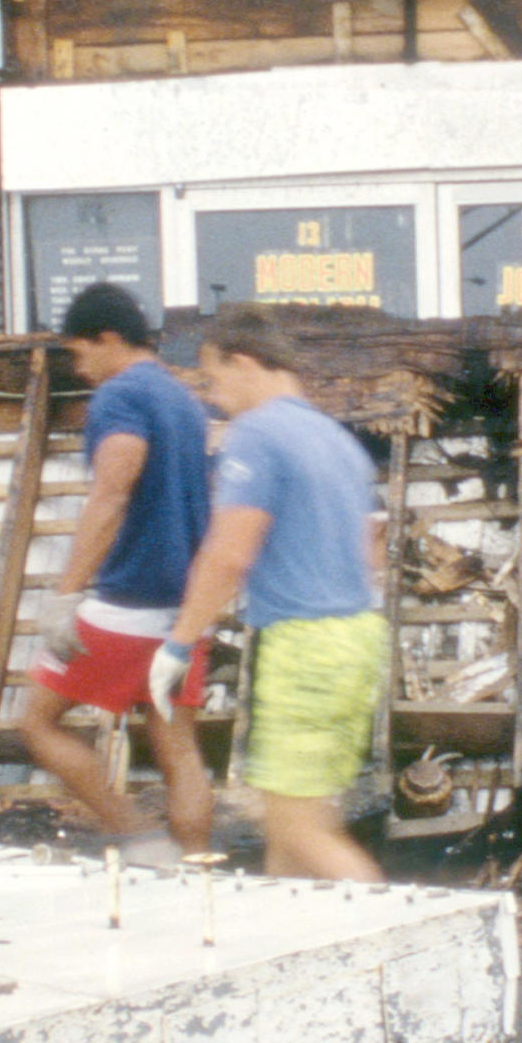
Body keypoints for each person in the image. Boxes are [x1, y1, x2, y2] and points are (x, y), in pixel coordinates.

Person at [153, 308, 391, 881]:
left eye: (212, 380)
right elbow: (371, 550)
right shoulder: (334, 438)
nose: (213, 399)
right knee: (290, 836)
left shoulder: (256, 435)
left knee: (301, 834)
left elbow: (229, 553)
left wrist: (179, 645)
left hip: (304, 646)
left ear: (244, 361)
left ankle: (407, 946)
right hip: (357, 639)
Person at [13, 283, 215, 858]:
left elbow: (111, 493)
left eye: (79, 353)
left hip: (127, 604)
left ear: (106, 339)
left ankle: (133, 834)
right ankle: (199, 870)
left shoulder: (120, 398)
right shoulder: (184, 400)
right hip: (183, 609)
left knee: (37, 724)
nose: (80, 371)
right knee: (177, 749)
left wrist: (65, 595)